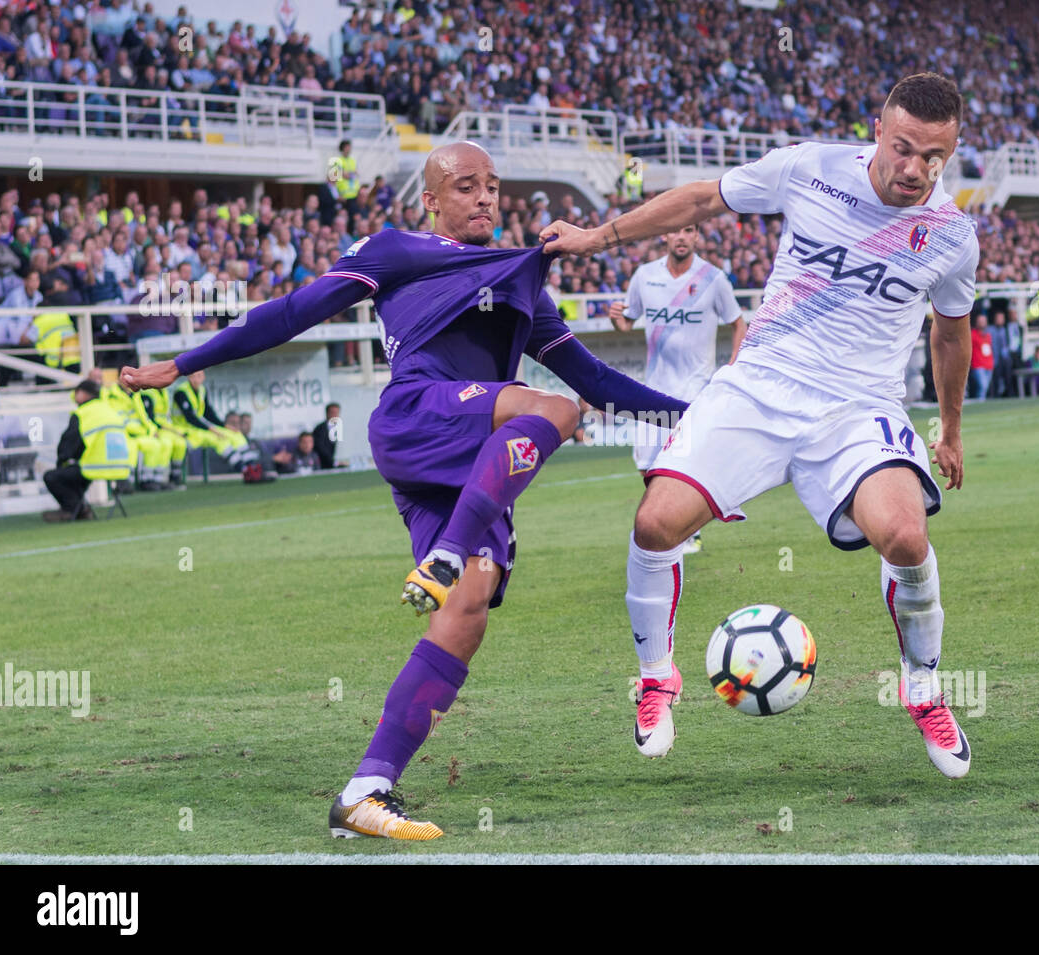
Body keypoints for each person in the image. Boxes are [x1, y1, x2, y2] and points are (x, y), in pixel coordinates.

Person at [120, 141, 686, 840]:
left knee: (470, 605)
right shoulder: (395, 250)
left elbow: (601, 381)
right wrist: (183, 361)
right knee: (556, 411)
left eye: (493, 186)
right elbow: (291, 311)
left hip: (476, 459)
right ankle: (447, 553)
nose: (484, 197)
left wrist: (706, 422)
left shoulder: (516, 280)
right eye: (466, 185)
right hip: (419, 417)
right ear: (431, 199)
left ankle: (364, 792)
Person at [542, 72, 978, 777]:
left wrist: (951, 428)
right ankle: (657, 677)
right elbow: (699, 198)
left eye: (934, 157)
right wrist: (599, 236)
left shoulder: (952, 236)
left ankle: (923, 686)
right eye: (903, 148)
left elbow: (950, 334)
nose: (914, 169)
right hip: (758, 387)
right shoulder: (810, 168)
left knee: (905, 533)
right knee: (656, 524)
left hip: (857, 406)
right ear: (878, 127)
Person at [607, 224, 745, 555]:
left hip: (694, 390)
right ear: (664, 236)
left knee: (685, 463)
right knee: (646, 466)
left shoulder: (713, 278)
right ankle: (665, 525)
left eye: (689, 231)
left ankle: (687, 531)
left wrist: (733, 366)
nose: (681, 237)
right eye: (675, 231)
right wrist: (617, 319)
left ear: (697, 236)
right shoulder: (644, 276)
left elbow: (739, 323)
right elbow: (628, 322)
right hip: (653, 390)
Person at [42, 378, 132, 521]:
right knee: (75, 475)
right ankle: (80, 508)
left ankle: (72, 509)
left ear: (82, 394)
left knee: (53, 476)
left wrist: (63, 460)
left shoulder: (84, 413)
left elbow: (69, 443)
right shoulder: (110, 410)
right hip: (122, 467)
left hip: (95, 467)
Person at [169, 369, 263, 476]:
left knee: (235, 434)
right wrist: (211, 429)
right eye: (193, 376)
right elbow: (190, 418)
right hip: (186, 430)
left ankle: (253, 467)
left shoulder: (202, 390)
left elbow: (208, 413)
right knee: (220, 440)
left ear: (203, 376)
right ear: (189, 377)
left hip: (201, 429)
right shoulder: (181, 392)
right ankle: (245, 471)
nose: (196, 379)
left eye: (199, 375)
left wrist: (224, 426)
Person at [968, 311, 993, 400]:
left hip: (988, 365)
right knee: (982, 386)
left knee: (984, 388)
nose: (982, 323)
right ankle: (980, 403)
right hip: (978, 365)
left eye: (984, 321)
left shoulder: (988, 335)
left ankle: (981, 401)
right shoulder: (972, 335)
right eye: (980, 321)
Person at [311, 402, 342, 469]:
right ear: (327, 413)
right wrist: (334, 463)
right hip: (321, 466)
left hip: (330, 464)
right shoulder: (320, 429)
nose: (335, 415)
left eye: (337, 413)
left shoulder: (335, 428)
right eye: (333, 412)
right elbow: (320, 450)